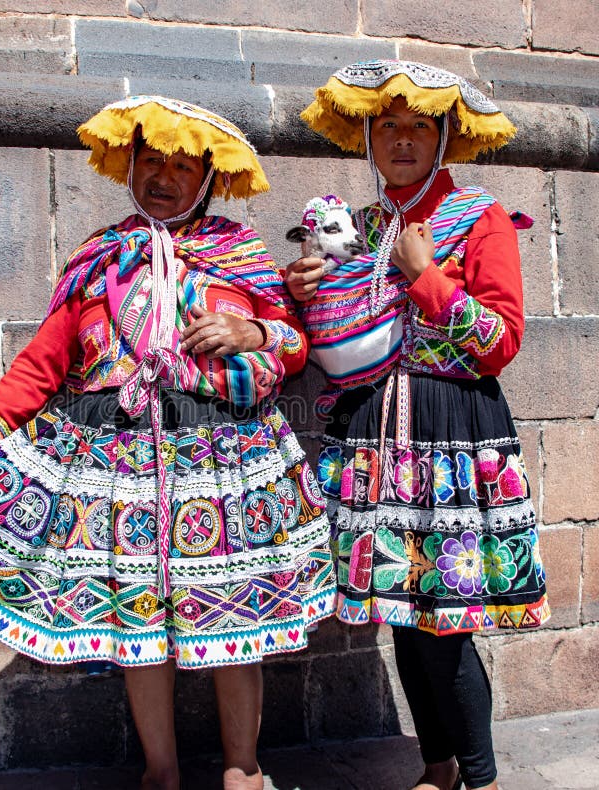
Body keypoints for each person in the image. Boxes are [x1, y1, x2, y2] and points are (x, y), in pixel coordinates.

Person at [0, 95, 336, 790]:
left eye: (181, 166)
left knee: (233, 615)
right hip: (118, 464)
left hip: (219, 458)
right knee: (137, 621)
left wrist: (253, 333)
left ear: (210, 179)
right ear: (128, 166)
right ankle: (161, 771)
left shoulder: (240, 256)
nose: (163, 177)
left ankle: (242, 770)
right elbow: (42, 364)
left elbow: (293, 343)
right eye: (150, 162)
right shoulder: (99, 260)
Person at [284, 61, 549, 790]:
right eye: (388, 127)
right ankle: (437, 765)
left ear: (443, 140)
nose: (402, 141)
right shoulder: (357, 230)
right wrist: (297, 292)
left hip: (451, 430)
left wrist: (426, 277)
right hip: (375, 434)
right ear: (369, 138)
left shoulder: (479, 217)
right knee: (400, 609)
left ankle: (483, 774)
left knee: (446, 620)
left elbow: (501, 339)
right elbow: (328, 341)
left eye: (419, 127)